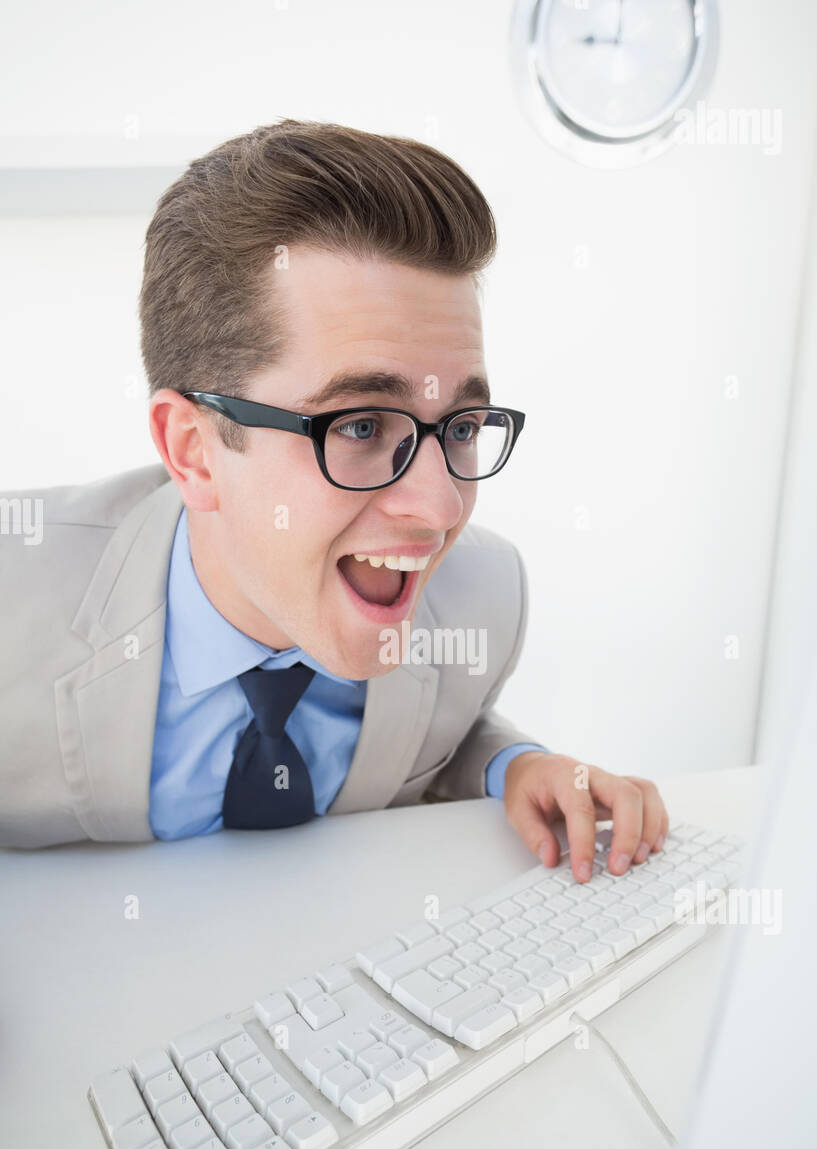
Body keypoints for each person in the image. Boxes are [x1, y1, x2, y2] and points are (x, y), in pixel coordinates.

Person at [0, 118, 668, 881]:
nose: (442, 507)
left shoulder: (483, 598)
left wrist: (510, 765)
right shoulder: (12, 604)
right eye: (357, 425)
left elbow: (434, 734)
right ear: (193, 449)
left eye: (461, 425)